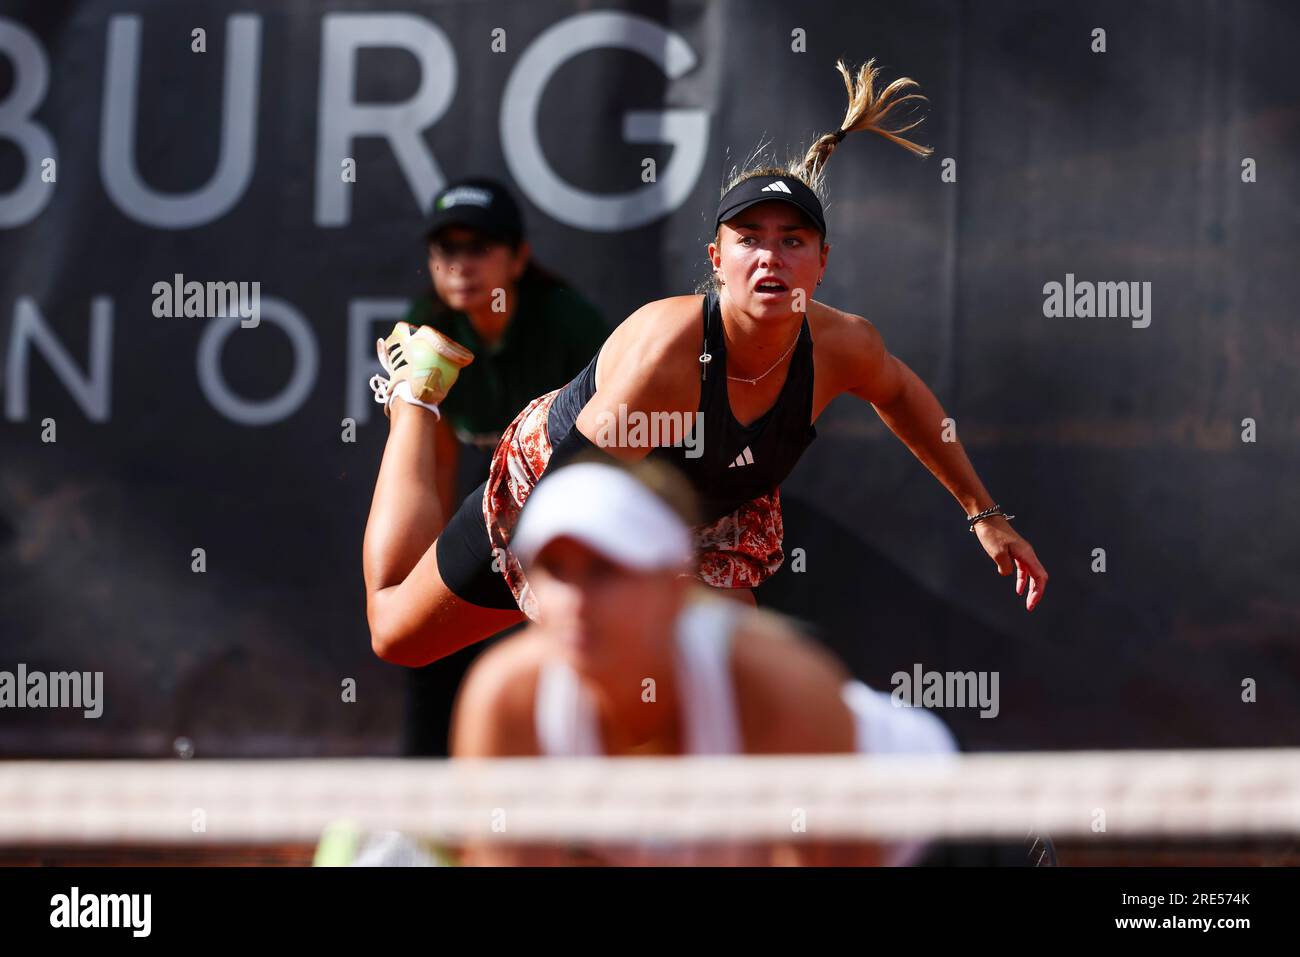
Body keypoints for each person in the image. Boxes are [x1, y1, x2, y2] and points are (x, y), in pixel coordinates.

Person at [363, 58, 1049, 670]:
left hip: (715, 509)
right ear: (717, 261)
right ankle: (415, 396)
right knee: (396, 633)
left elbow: (901, 394)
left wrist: (983, 512)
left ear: (822, 261)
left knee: (721, 675)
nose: (770, 257)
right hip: (565, 485)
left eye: (793, 241)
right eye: (748, 239)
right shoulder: (666, 355)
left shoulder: (845, 345)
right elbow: (565, 506)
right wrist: (586, 615)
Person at [449, 457, 958, 866]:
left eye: (605, 570)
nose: (575, 601)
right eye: (555, 569)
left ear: (671, 584)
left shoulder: (782, 688)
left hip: (931, 825)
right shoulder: (505, 698)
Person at [374, 177, 607, 755]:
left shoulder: (567, 324)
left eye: (479, 247)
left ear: (519, 257)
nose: (460, 264)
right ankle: (424, 820)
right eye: (446, 249)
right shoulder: (428, 327)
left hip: (571, 513)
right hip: (488, 507)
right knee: (423, 638)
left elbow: (616, 449)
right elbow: (436, 458)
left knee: (560, 666)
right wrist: (435, 560)